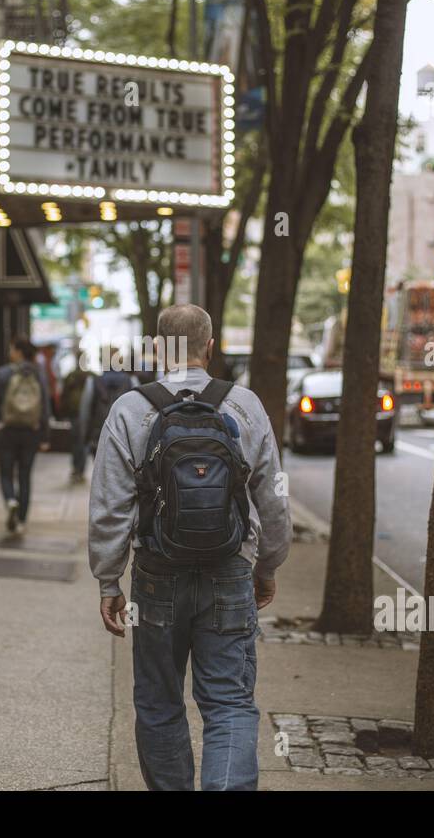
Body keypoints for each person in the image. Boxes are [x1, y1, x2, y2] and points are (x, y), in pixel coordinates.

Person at [88, 303, 291, 791]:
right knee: (229, 704)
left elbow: (110, 506)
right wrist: (267, 565)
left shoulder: (131, 409)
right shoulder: (246, 406)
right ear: (210, 347)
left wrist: (108, 579)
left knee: (159, 702)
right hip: (229, 572)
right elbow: (274, 497)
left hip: (157, 576)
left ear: (158, 349)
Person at [0, 335, 51, 534]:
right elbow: (45, 406)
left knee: (6, 472)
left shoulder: (2, 374)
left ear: (19, 352)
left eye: (12, 349)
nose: (9, 353)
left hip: (7, 430)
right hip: (30, 432)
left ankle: (10, 500)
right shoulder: (38, 374)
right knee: (25, 475)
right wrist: (45, 435)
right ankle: (21, 519)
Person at [80, 346, 137, 460]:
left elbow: (85, 412)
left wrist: (85, 436)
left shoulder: (93, 382)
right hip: (125, 439)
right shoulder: (131, 381)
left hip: (98, 437)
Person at [59, 351, 95, 484]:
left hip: (75, 414)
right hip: (83, 415)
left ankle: (77, 468)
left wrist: (62, 413)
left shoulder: (71, 376)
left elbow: (64, 396)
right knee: (83, 442)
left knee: (76, 442)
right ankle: (79, 469)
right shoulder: (91, 376)